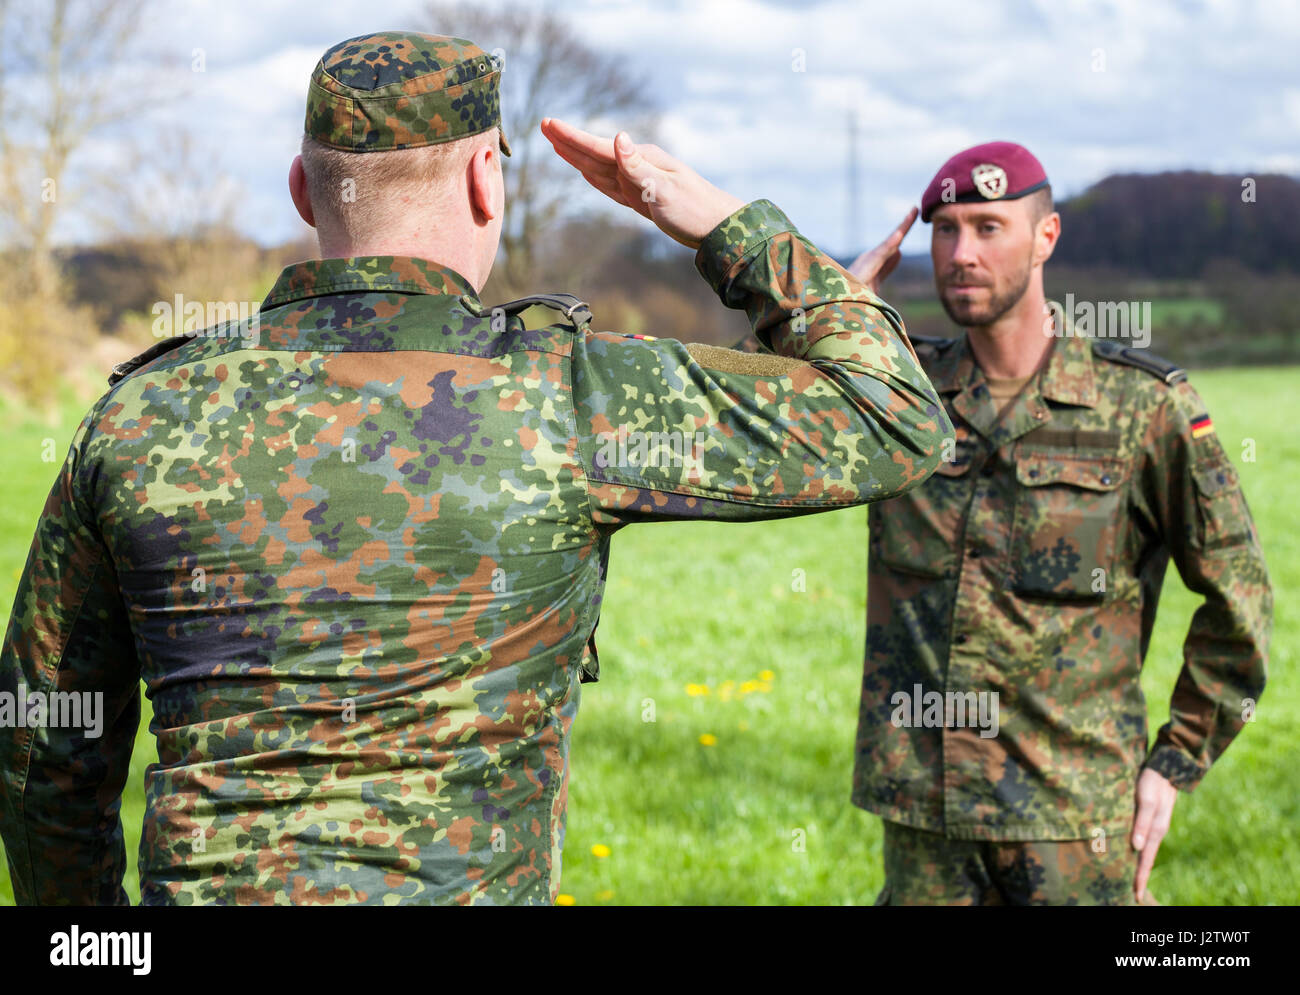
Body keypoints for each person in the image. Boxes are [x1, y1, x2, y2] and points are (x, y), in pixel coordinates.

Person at [0, 30, 947, 905]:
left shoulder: (142, 412)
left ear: (302, 188)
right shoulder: (570, 396)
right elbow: (892, 412)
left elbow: (42, 748)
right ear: (486, 181)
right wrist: (723, 226)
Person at [846, 141, 1272, 905]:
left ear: (1047, 237)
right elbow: (749, 418)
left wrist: (1176, 760)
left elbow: (1240, 600)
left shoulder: (1143, 407)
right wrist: (827, 318)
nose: (961, 252)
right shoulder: (895, 391)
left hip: (1073, 821)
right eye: (944, 230)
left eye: (988, 227)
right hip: (924, 815)